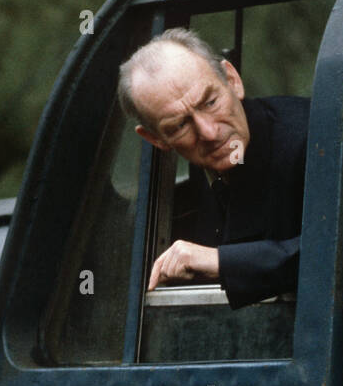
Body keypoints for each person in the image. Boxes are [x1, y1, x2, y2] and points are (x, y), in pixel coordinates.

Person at [117, 28, 310, 309]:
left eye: (210, 102)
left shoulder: (314, 138)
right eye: (180, 126)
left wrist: (220, 261)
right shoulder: (194, 182)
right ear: (157, 140)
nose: (208, 132)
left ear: (232, 80)